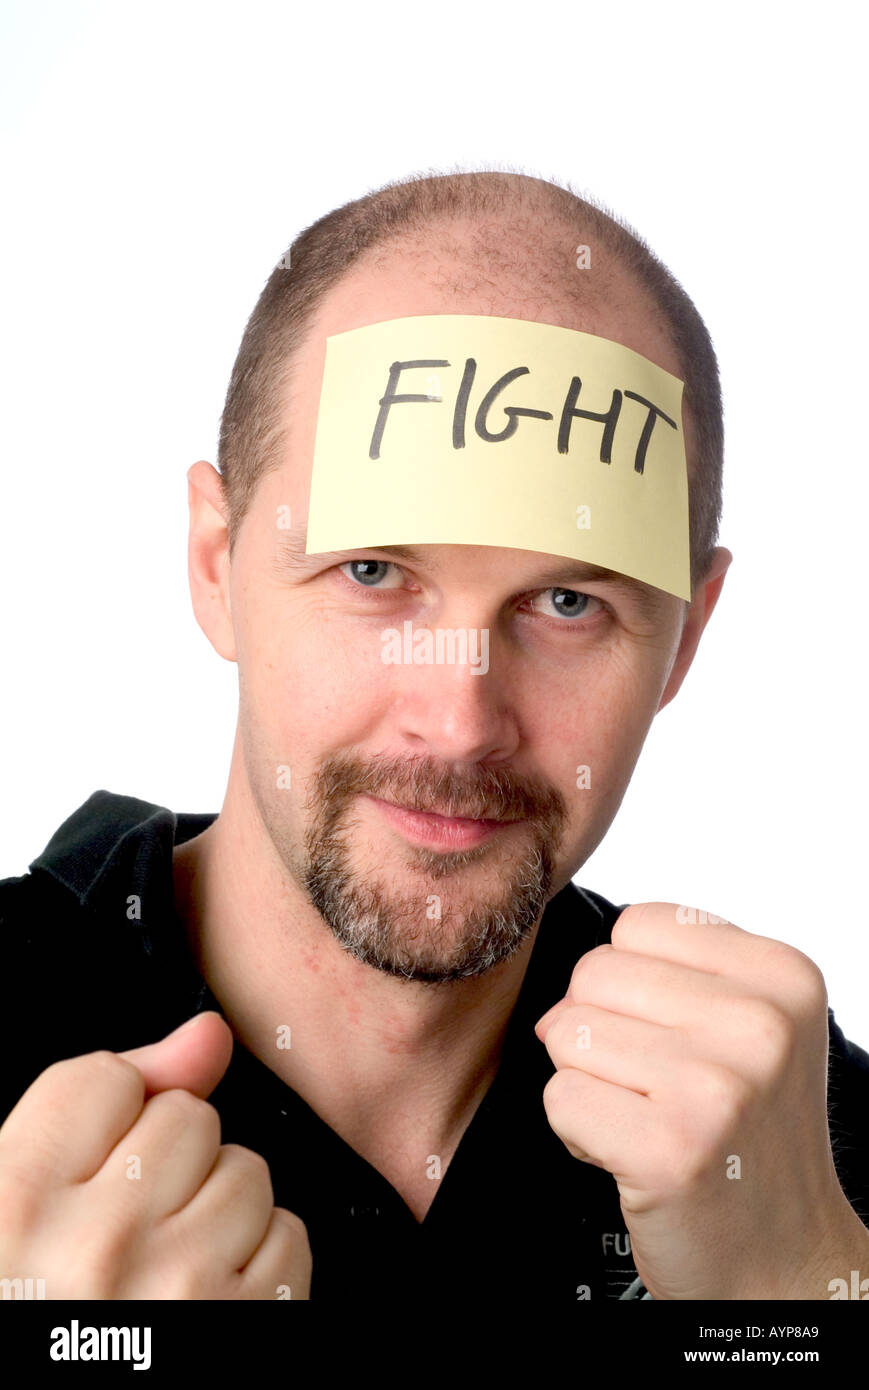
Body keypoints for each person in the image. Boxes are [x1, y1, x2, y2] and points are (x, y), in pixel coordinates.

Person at [2, 169, 868, 1303]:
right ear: (215, 566)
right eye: (373, 572)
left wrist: (798, 1297)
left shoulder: (788, 1137)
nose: (458, 722)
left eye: (567, 603)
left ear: (684, 641)